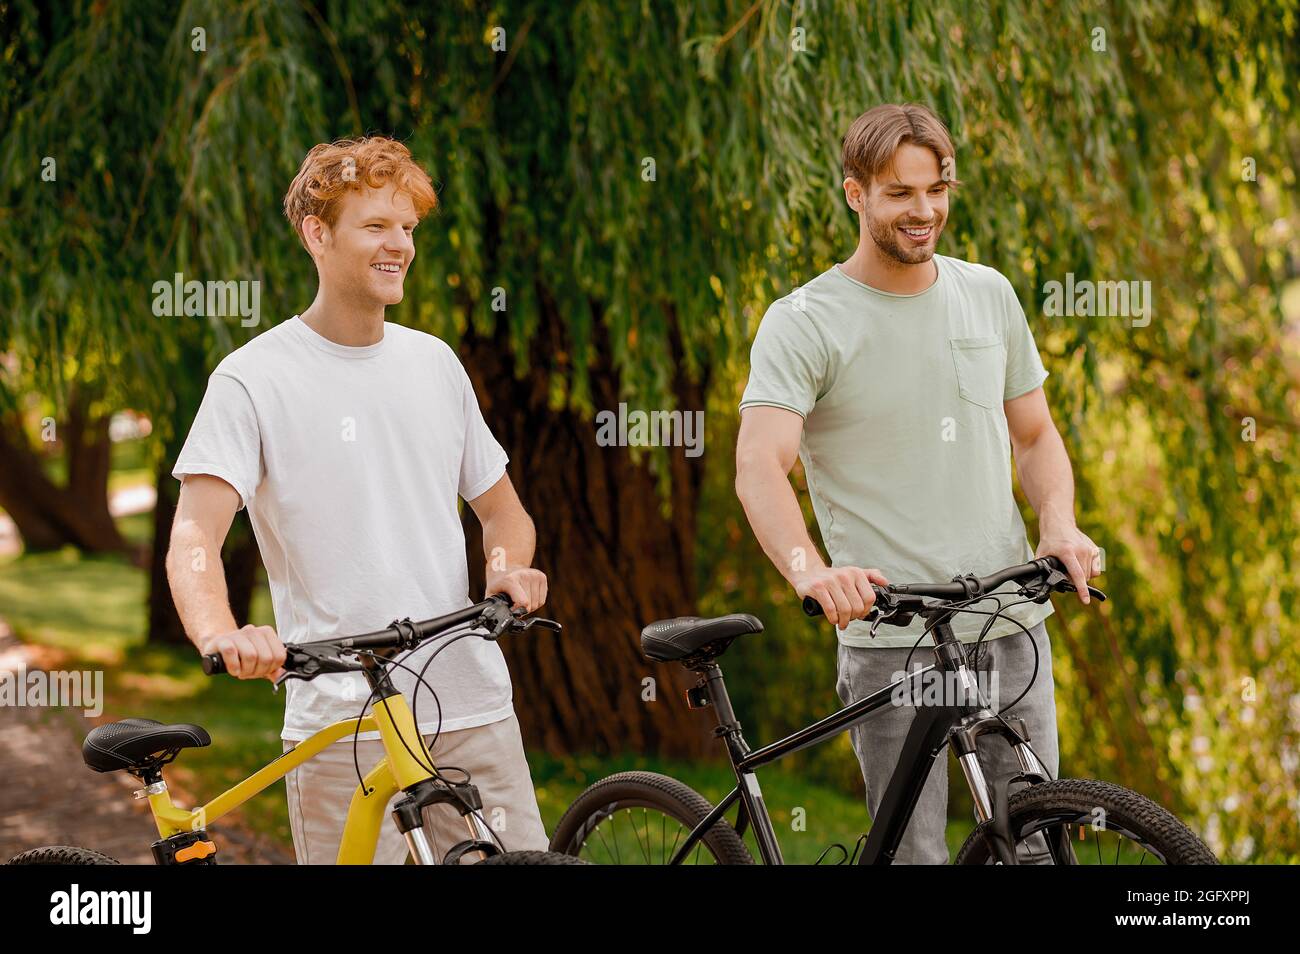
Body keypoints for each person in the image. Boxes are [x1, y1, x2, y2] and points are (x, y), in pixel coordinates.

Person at [734, 103, 1102, 864]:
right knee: (917, 856)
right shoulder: (805, 321)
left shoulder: (988, 294)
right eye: (899, 192)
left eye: (936, 188)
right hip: (893, 640)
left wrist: (1059, 525)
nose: (924, 210)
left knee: (1035, 848)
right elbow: (759, 463)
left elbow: (1034, 436)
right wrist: (812, 571)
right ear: (854, 193)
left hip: (1010, 623)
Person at [166, 136, 550, 863]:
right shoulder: (253, 380)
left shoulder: (434, 363)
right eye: (376, 226)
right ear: (317, 234)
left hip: (468, 700)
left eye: (407, 228)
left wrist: (507, 569)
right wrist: (223, 633)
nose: (400, 245)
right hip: (340, 720)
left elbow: (503, 512)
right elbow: (194, 536)